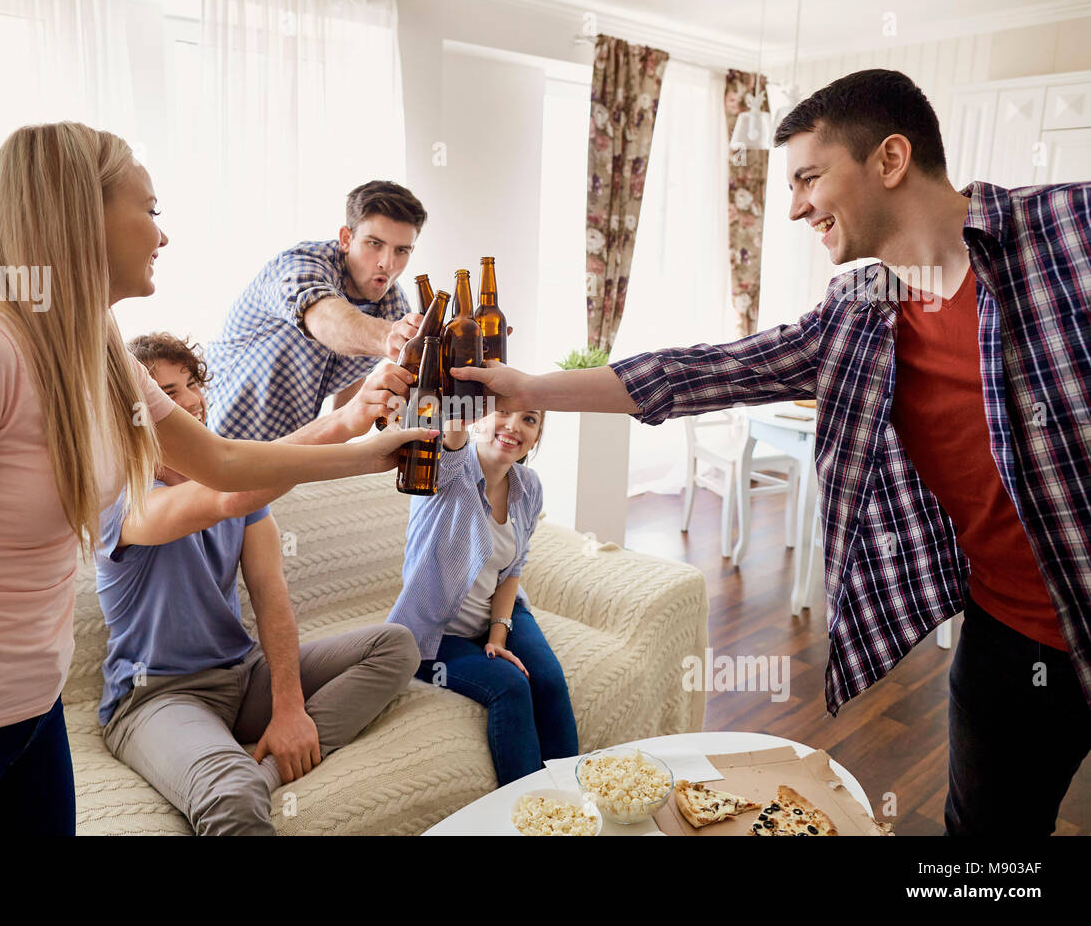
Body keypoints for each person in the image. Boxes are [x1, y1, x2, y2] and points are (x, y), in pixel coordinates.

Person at [453, 69, 1091, 836]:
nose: (793, 207)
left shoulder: (1069, 231)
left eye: (809, 179)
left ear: (889, 160)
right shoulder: (858, 312)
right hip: (1009, 634)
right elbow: (704, 371)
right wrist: (529, 387)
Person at [0, 123, 435, 836]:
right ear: (80, 215)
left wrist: (368, 449)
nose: (162, 237)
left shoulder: (99, 364)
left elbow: (223, 463)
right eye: (151, 212)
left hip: (30, 726)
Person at [96, 332, 420, 835]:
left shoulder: (247, 497)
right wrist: (349, 422)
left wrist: (290, 707)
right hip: (157, 696)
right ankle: (243, 778)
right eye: (164, 393)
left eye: (188, 385)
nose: (186, 403)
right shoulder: (123, 498)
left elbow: (271, 596)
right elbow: (225, 494)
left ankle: (266, 770)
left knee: (395, 645)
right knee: (230, 795)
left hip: (241, 676)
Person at [388, 409, 578, 786]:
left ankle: (574, 804)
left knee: (549, 681)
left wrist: (498, 636)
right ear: (475, 417)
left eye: (529, 419)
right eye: (503, 411)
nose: (514, 426)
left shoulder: (529, 486)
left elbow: (513, 569)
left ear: (537, 436)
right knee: (510, 686)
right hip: (437, 637)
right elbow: (452, 435)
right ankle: (526, 814)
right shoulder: (448, 470)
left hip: (501, 612)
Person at [204, 180, 428, 440]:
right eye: (374, 243)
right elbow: (325, 318)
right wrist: (386, 337)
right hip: (210, 436)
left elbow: (353, 383)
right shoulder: (298, 266)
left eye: (401, 250)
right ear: (346, 238)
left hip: (281, 452)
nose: (387, 264)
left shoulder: (392, 308)